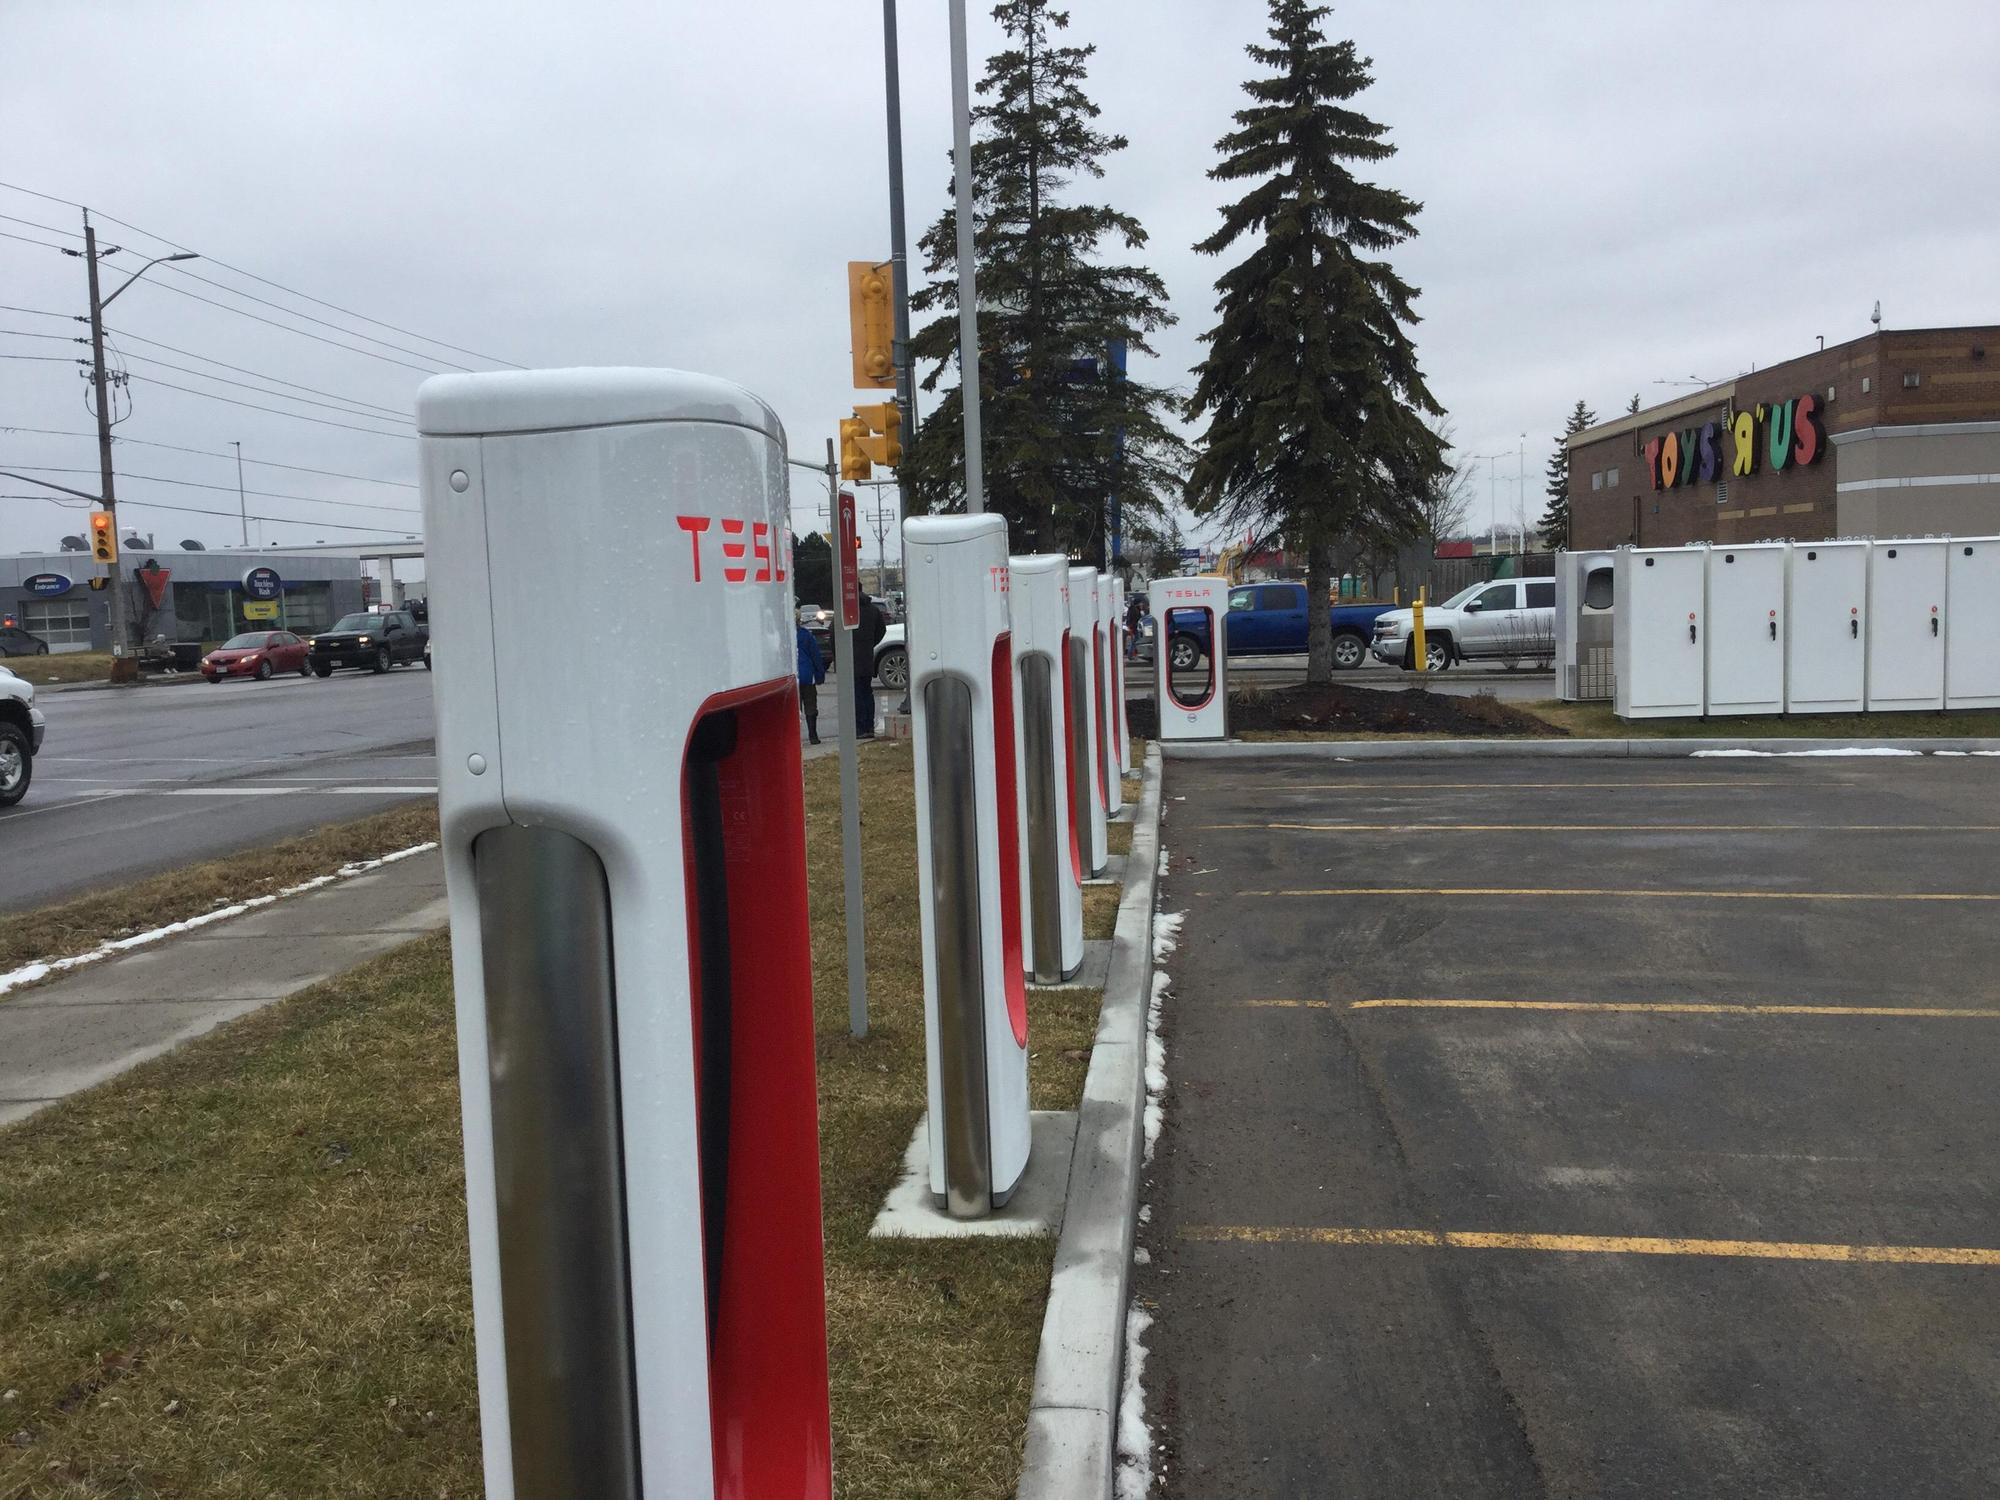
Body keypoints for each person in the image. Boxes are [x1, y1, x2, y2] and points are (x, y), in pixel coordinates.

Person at [854, 594, 887, 739]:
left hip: (851, 660)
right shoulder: (873, 610)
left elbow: (834, 632)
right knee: (867, 692)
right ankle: (869, 726)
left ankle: (860, 728)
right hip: (867, 658)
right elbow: (882, 630)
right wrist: (870, 643)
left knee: (856, 694)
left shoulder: (848, 611)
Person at [796, 620, 826, 745]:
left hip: (792, 678)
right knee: (810, 706)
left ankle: (796, 738)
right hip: (807, 675)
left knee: (795, 709)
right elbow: (815, 656)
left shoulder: (784, 635)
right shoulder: (806, 635)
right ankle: (813, 736)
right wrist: (820, 675)